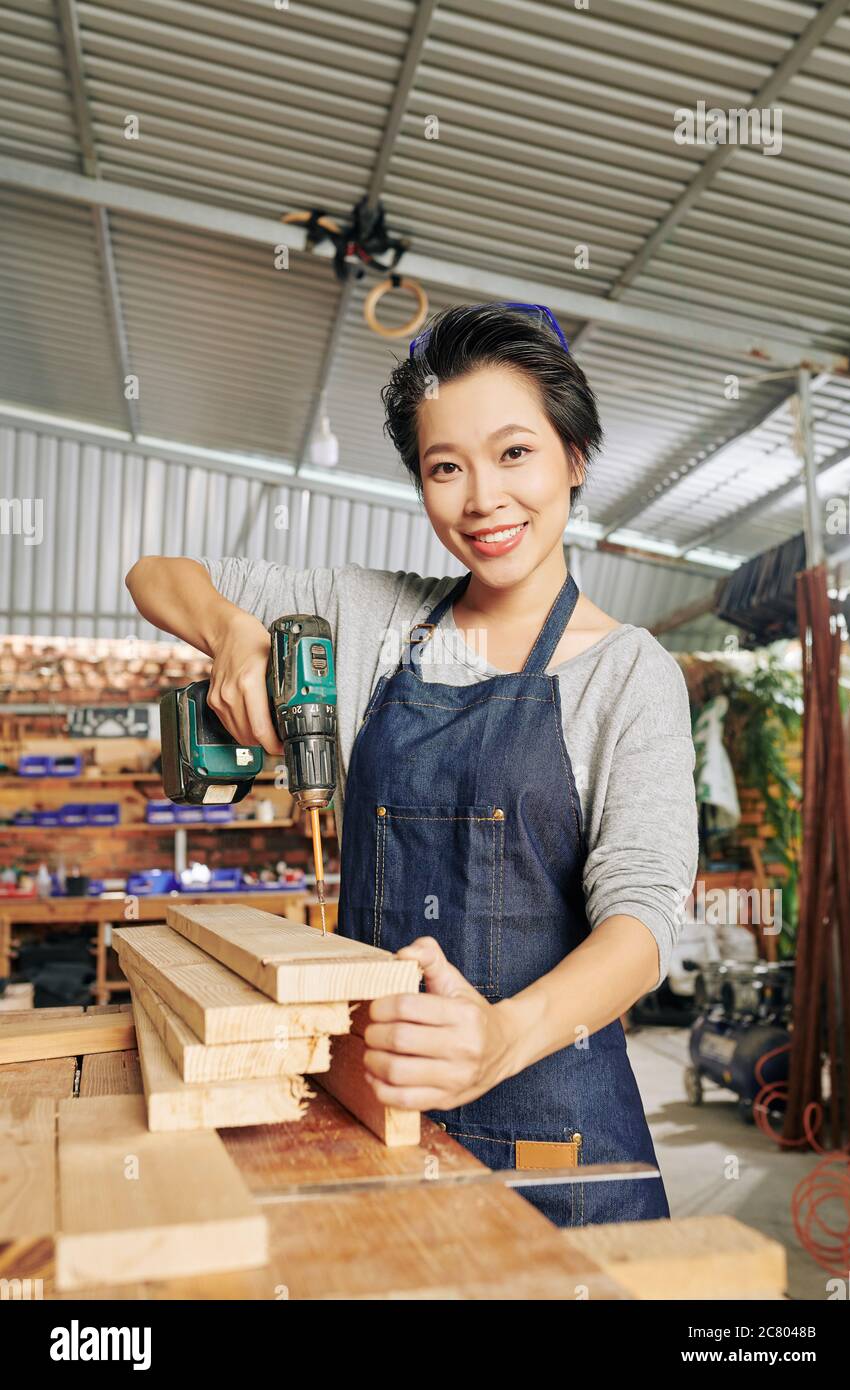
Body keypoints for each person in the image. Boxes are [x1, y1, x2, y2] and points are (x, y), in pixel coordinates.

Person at [127, 302, 699, 1228]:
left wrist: (502, 1035)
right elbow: (155, 572)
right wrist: (234, 634)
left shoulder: (629, 673)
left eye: (515, 453)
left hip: (555, 1137)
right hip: (375, 1105)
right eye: (445, 467)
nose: (482, 499)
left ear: (575, 458)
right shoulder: (371, 617)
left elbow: (643, 920)